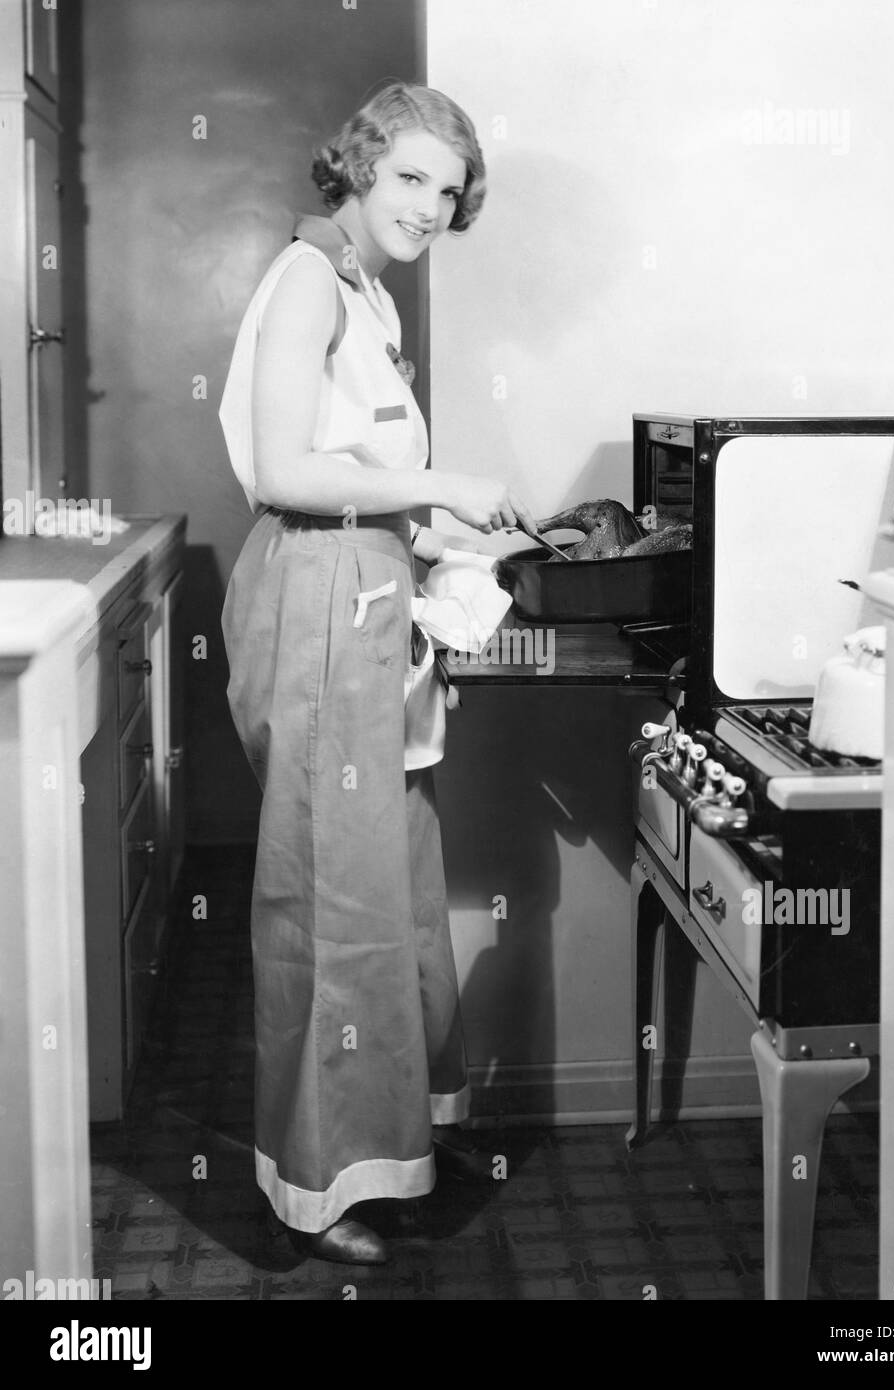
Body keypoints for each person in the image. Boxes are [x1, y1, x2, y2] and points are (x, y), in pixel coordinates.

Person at [218, 82, 534, 1265]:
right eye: (408, 177)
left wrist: (450, 541)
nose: (429, 205)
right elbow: (290, 475)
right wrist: (443, 488)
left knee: (393, 892)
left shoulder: (364, 290)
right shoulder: (306, 280)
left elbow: (357, 474)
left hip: (364, 594)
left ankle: (386, 1140)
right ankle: (317, 1183)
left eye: (448, 191)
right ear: (354, 166)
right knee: (327, 906)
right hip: (314, 604)